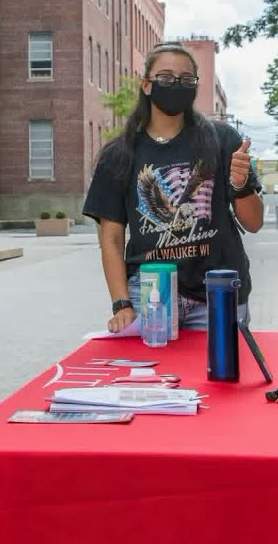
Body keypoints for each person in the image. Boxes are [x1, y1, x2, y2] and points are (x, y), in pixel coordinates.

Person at [83, 41, 264, 332]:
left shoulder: (223, 140)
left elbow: (254, 222)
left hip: (218, 292)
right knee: (154, 377)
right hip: (153, 293)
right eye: (165, 77)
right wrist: (122, 304)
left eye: (186, 79)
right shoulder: (119, 154)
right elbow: (112, 238)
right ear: (146, 85)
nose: (176, 84)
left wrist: (241, 185)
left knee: (221, 371)